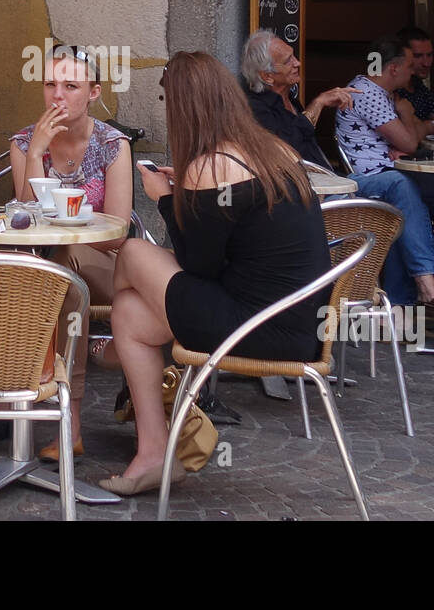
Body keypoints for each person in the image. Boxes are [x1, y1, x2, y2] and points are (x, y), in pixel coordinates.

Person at [98, 52, 331, 496]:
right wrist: (191, 198)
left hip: (259, 326)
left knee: (130, 251)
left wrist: (168, 199)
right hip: (297, 322)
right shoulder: (271, 150)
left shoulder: (211, 166)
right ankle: (152, 453)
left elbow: (196, 266)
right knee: (129, 311)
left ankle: (110, 361)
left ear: (183, 108)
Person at [9, 44, 131, 456]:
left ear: (94, 93)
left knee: (67, 266)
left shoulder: (114, 145)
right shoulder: (25, 142)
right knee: (59, 275)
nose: (56, 95)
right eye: (49, 85)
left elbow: (117, 230)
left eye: (70, 86)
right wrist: (38, 152)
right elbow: (24, 220)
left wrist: (69, 231)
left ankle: (68, 422)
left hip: (105, 265)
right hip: (45, 268)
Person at [335, 36, 434, 320]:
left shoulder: (378, 92)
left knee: (412, 206)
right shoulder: (367, 92)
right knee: (409, 189)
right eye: (409, 65)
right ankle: (428, 288)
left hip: (385, 175)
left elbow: (407, 143)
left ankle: (401, 307)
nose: (413, 71)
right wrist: (407, 113)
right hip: (367, 179)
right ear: (393, 69)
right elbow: (408, 143)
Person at [239, 29, 359, 168]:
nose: (297, 63)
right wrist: (318, 103)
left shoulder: (291, 100)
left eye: (293, 56)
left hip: (330, 180)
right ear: (267, 76)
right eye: (288, 61)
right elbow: (288, 150)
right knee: (390, 181)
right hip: (305, 186)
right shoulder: (256, 108)